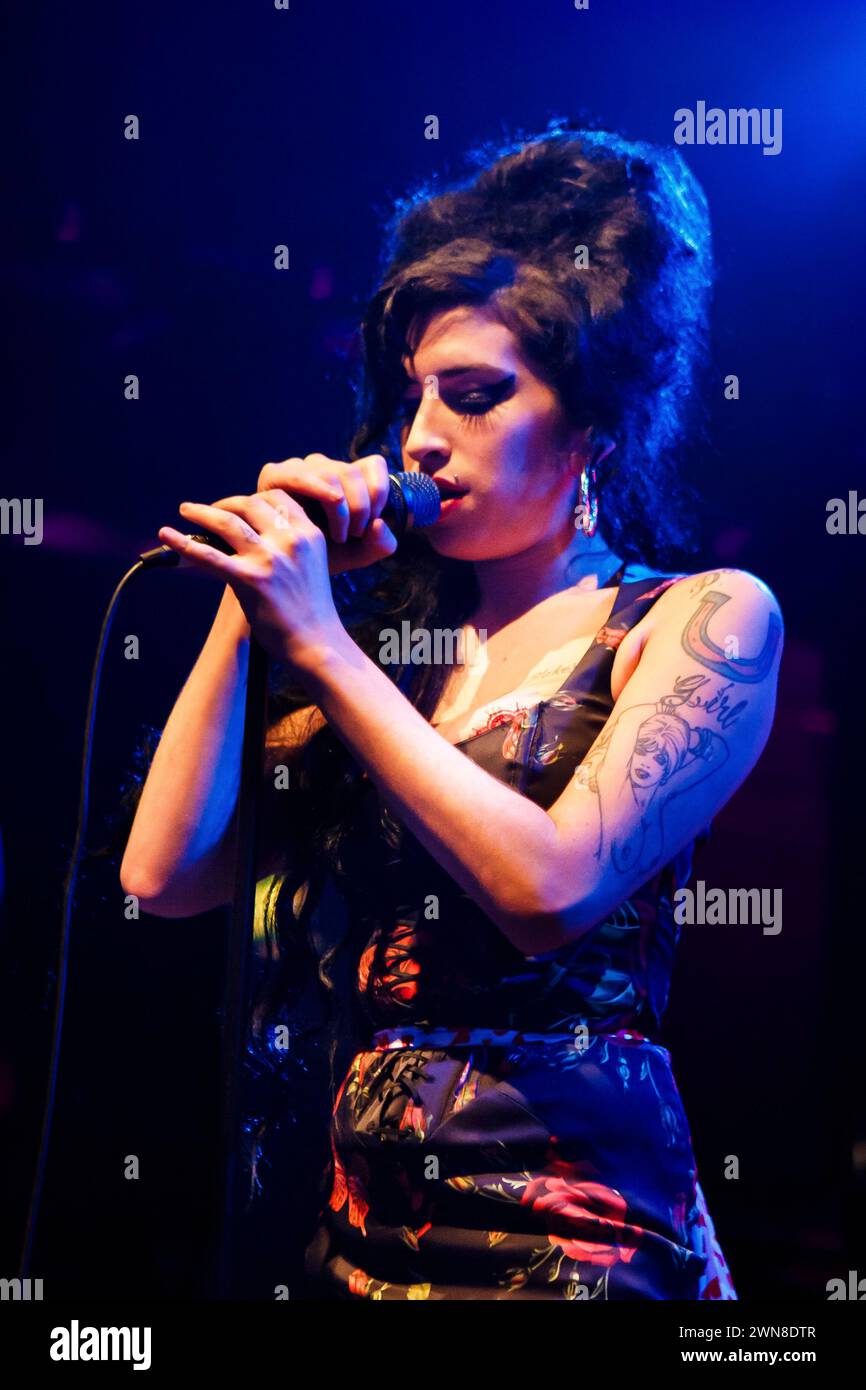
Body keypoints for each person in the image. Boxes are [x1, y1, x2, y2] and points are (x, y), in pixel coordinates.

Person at [120, 124, 783, 1300]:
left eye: (474, 397)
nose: (420, 437)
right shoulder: (387, 659)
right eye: (413, 397)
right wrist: (255, 605)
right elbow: (163, 876)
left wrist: (320, 641)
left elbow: (549, 889)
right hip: (365, 1249)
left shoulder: (702, 618)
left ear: (593, 423)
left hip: (577, 1251)